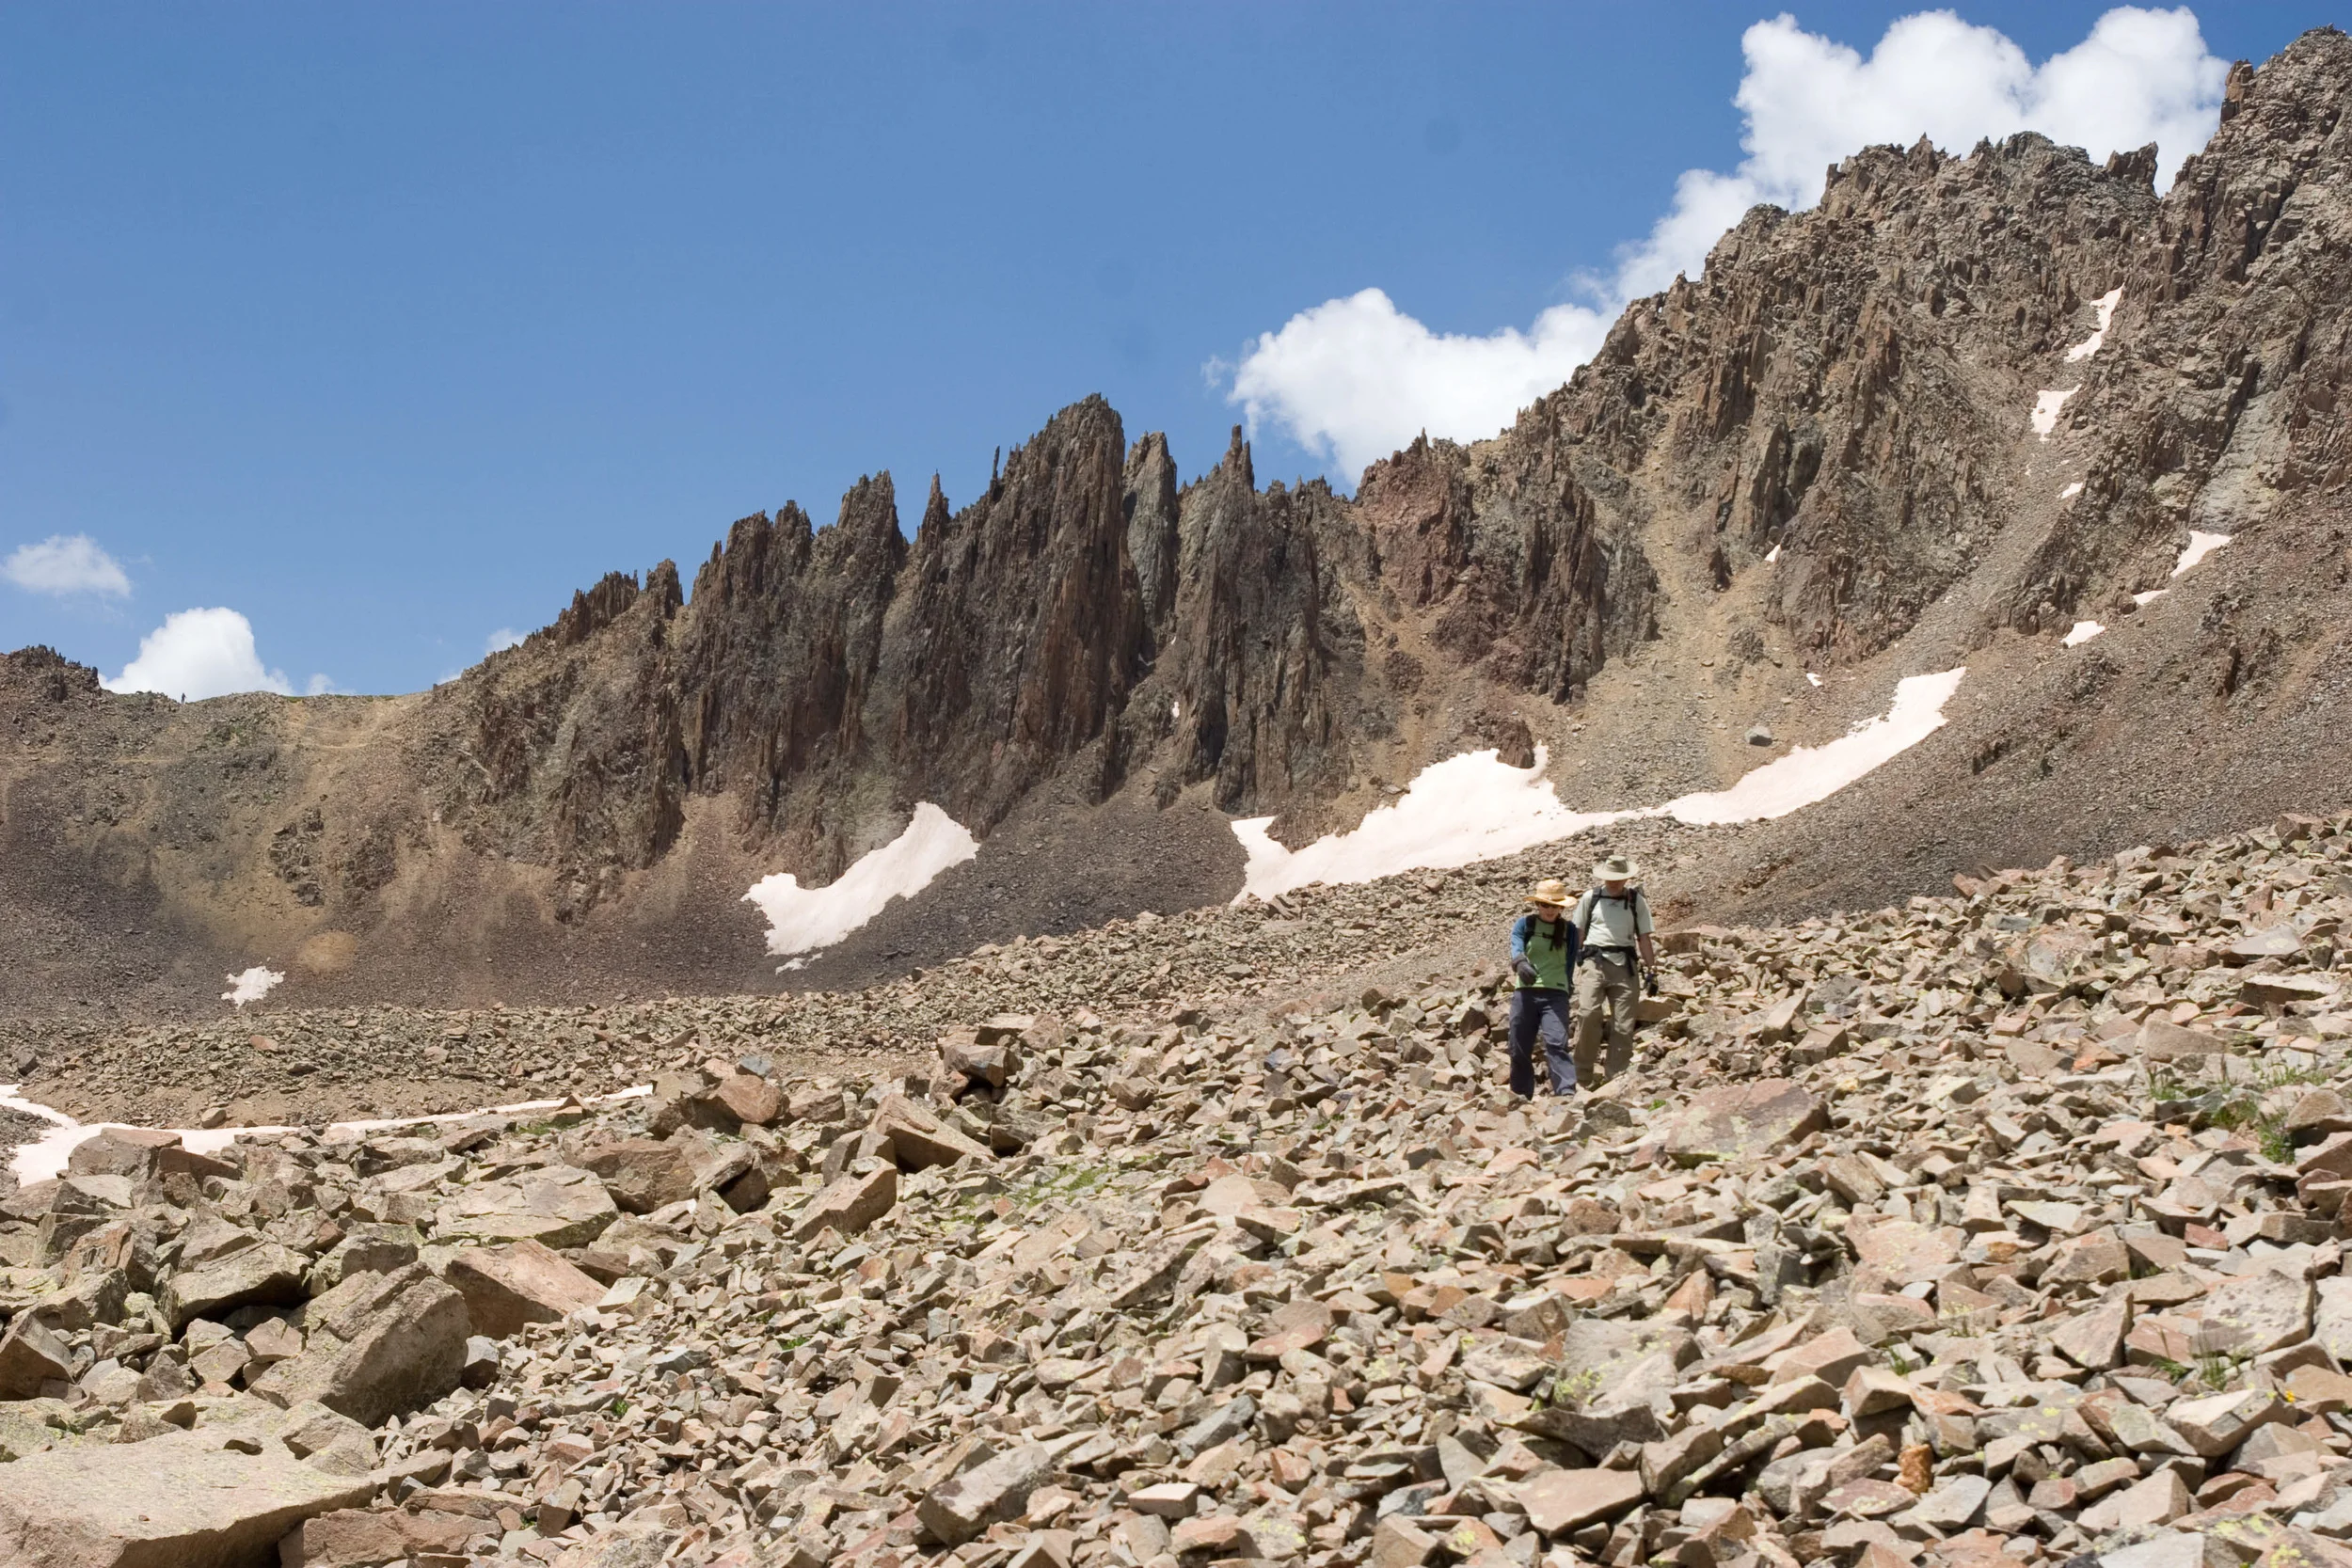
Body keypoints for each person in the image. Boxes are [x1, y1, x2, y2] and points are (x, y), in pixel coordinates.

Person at [1569, 852, 1656, 1087]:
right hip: (1594, 960)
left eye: (1619, 878)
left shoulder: (1636, 901)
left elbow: (1644, 937)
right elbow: (1578, 932)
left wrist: (1652, 969)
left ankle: (1614, 1079)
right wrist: (1572, 964)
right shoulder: (1591, 898)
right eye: (1610, 878)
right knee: (1587, 1013)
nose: (1614, 882)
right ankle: (1581, 1076)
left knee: (1623, 1024)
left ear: (1626, 878)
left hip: (1625, 965)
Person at [1506, 878, 1581, 1097]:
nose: (1550, 910)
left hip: (1556, 993)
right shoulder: (1525, 925)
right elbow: (1516, 946)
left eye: (1555, 906)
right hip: (1525, 992)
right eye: (1546, 905)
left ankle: (1566, 1092)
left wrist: (1567, 985)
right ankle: (1520, 1095)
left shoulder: (1570, 931)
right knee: (1518, 1045)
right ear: (1537, 905)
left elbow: (1570, 961)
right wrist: (1520, 962)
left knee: (1557, 1042)